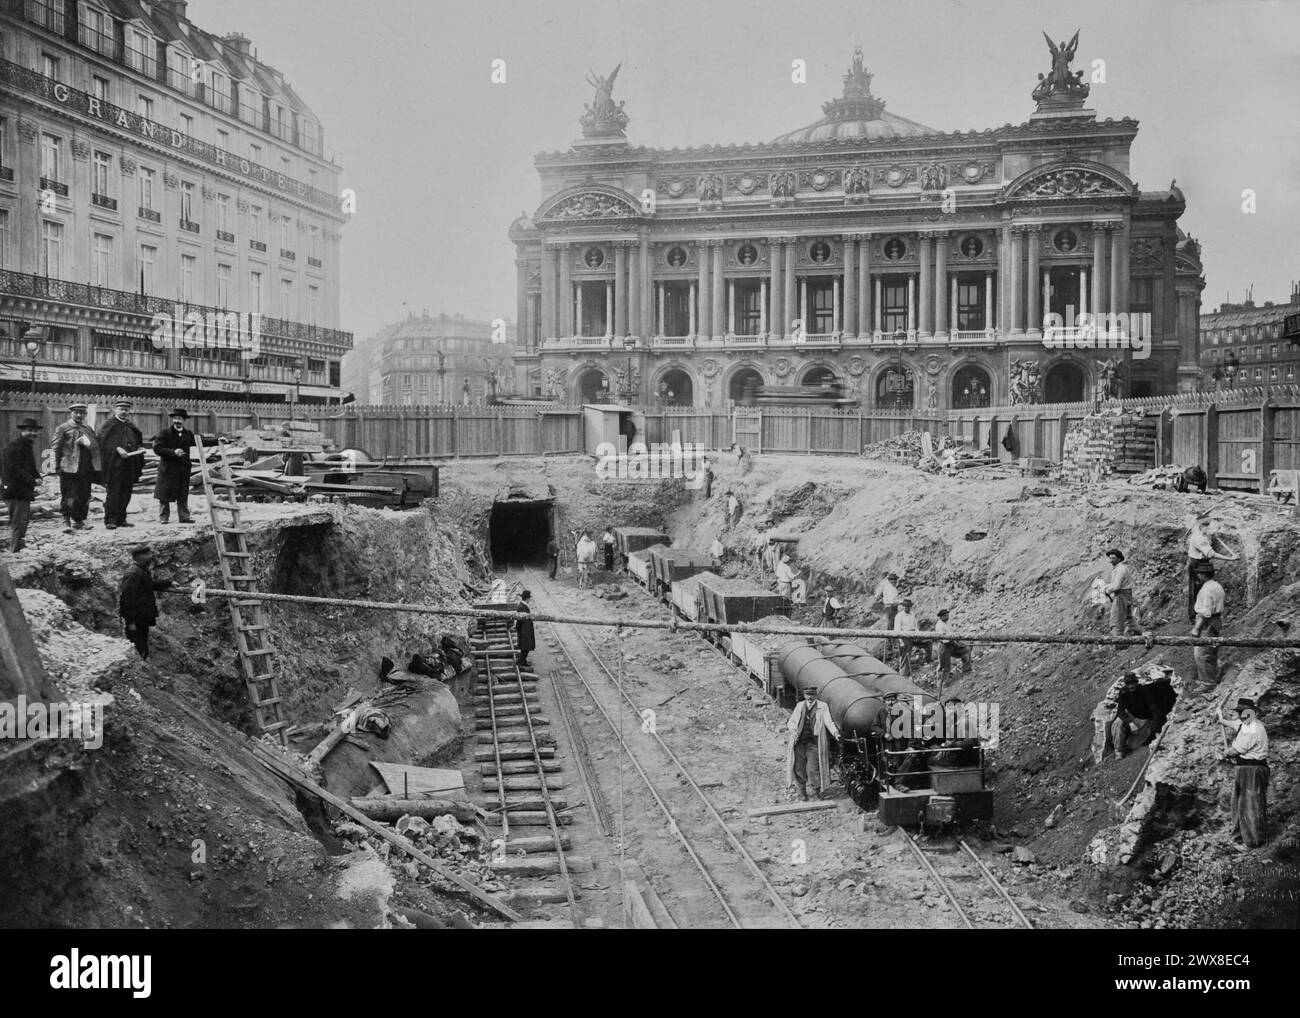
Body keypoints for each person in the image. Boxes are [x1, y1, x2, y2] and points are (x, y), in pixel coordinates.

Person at [152, 408, 217, 524]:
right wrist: (173, 452)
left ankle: (184, 517)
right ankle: (163, 518)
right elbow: (157, 448)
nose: (177, 421)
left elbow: (201, 441)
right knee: (164, 493)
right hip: (168, 469)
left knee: (182, 493)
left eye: (180, 418)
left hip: (183, 468)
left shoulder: (188, 434)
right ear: (172, 420)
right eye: (175, 418)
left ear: (184, 420)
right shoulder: (165, 433)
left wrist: (218, 440)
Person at [1218, 697, 1269, 847]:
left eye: (1244, 712)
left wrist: (1226, 752)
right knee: (1239, 804)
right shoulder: (1245, 724)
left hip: (1252, 769)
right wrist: (1221, 717)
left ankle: (1253, 842)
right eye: (1240, 712)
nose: (1241, 715)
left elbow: (1237, 749)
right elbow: (1235, 724)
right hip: (1245, 769)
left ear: (1252, 713)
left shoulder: (1251, 726)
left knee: (1250, 805)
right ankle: (1240, 838)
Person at [50, 402, 101, 533]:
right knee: (69, 496)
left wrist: (88, 443)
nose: (79, 415)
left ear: (85, 414)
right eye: (76, 412)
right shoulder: (63, 428)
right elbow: (54, 448)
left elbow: (95, 447)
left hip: (86, 468)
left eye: (81, 413)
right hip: (68, 468)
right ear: (71, 413)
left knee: (84, 495)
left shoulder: (88, 429)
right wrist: (52, 467)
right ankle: (65, 520)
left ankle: (79, 521)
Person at [97, 399, 145, 529]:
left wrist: (139, 448)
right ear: (115, 410)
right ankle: (110, 520)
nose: (124, 412)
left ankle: (121, 519)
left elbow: (137, 440)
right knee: (114, 492)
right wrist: (117, 448)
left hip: (129, 464)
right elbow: (102, 441)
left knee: (126, 492)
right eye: (121, 409)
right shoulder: (109, 424)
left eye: (126, 409)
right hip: (115, 465)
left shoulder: (130, 426)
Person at [118, 544, 173, 660]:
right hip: (136, 619)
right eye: (147, 555)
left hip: (142, 618)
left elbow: (149, 586)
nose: (150, 557)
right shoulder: (133, 574)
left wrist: (168, 583)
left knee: (142, 644)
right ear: (139, 557)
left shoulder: (141, 571)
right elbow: (126, 600)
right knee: (138, 647)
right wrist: (130, 622)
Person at [785, 685, 840, 801]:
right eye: (808, 695)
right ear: (804, 695)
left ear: (816, 695)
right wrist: (793, 730)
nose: (810, 698)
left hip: (813, 742)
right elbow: (792, 721)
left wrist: (835, 733)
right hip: (799, 742)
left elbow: (828, 721)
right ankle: (802, 791)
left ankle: (817, 790)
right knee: (799, 767)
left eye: (812, 695)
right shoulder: (800, 706)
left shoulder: (822, 706)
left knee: (813, 767)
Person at [2, 418, 42, 552]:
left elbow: (30, 467)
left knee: (23, 521)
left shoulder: (27, 447)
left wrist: (37, 476)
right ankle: (15, 550)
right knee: (18, 522)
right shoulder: (13, 448)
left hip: (23, 491)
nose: (33, 433)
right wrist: (31, 479)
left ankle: (19, 546)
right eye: (29, 430)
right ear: (22, 431)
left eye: (35, 431)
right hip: (15, 491)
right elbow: (14, 469)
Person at [1186, 517, 1236, 622]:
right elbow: (1211, 554)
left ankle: (1206, 613)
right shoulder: (1198, 538)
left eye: (1209, 526)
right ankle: (1195, 617)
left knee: (1206, 588)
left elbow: (1208, 540)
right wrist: (1230, 558)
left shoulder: (1203, 534)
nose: (1208, 529)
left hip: (1203, 562)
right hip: (1197, 564)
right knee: (1197, 590)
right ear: (1200, 527)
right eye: (1206, 527)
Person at [1191, 568, 1225, 690]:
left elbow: (1206, 612)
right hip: (1216, 621)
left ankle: (1207, 683)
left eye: (1199, 573)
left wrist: (1196, 628)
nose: (1198, 576)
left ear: (1203, 574)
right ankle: (1213, 677)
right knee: (1211, 651)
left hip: (1208, 623)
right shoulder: (1217, 586)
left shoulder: (1206, 589)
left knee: (1201, 653)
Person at [933, 608, 972, 692]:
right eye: (945, 615)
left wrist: (958, 643)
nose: (947, 616)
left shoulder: (947, 623)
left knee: (966, 650)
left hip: (952, 644)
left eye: (947, 615)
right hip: (944, 646)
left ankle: (967, 671)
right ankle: (942, 684)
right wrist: (956, 644)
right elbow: (945, 641)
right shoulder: (939, 625)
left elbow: (952, 635)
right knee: (944, 666)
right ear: (940, 617)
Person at [1103, 548, 1139, 636]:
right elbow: (1115, 583)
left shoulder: (1120, 569)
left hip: (1121, 596)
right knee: (1130, 621)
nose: (1111, 561)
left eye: (1113, 558)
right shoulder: (1120, 568)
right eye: (1110, 558)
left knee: (1115, 621)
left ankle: (1118, 643)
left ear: (1119, 558)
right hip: (1126, 595)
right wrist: (1107, 587)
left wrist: (1107, 590)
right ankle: (1144, 635)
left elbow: (1117, 586)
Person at [893, 597, 921, 676]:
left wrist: (918, 634)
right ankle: (903, 674)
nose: (907, 608)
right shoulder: (899, 616)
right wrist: (901, 641)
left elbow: (915, 627)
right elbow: (897, 630)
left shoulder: (912, 615)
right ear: (903, 606)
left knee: (910, 653)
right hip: (904, 637)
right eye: (905, 606)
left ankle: (908, 671)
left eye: (908, 606)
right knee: (905, 655)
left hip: (912, 636)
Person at [515, 590, 535, 668]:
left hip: (526, 629)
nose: (530, 600)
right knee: (525, 647)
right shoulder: (521, 607)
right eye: (529, 598)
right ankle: (519, 662)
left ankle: (523, 661)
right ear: (527, 598)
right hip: (524, 630)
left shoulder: (523, 605)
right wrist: (519, 630)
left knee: (526, 647)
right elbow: (519, 620)